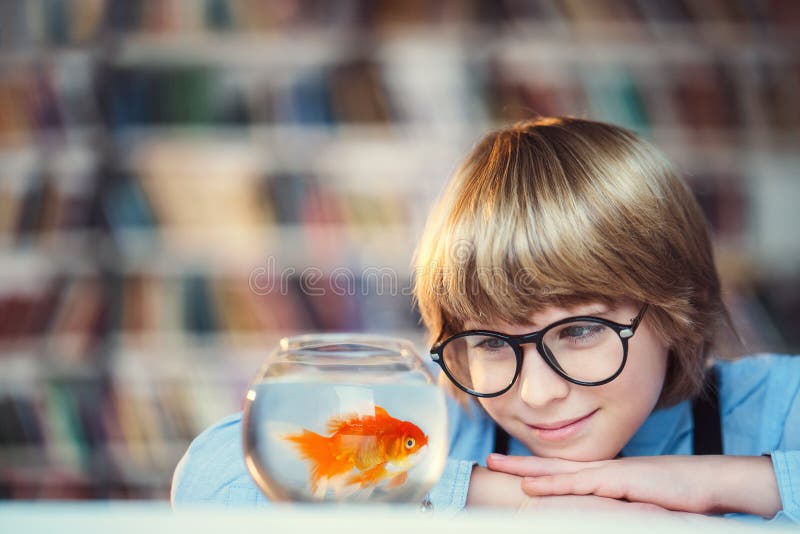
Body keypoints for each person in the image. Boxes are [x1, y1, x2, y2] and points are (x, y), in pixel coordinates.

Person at [170, 116, 799, 524]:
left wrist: (712, 482)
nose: (537, 393)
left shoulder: (772, 407)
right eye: (492, 341)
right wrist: (539, 501)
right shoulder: (449, 431)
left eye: (580, 331)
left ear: (675, 308)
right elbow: (212, 477)